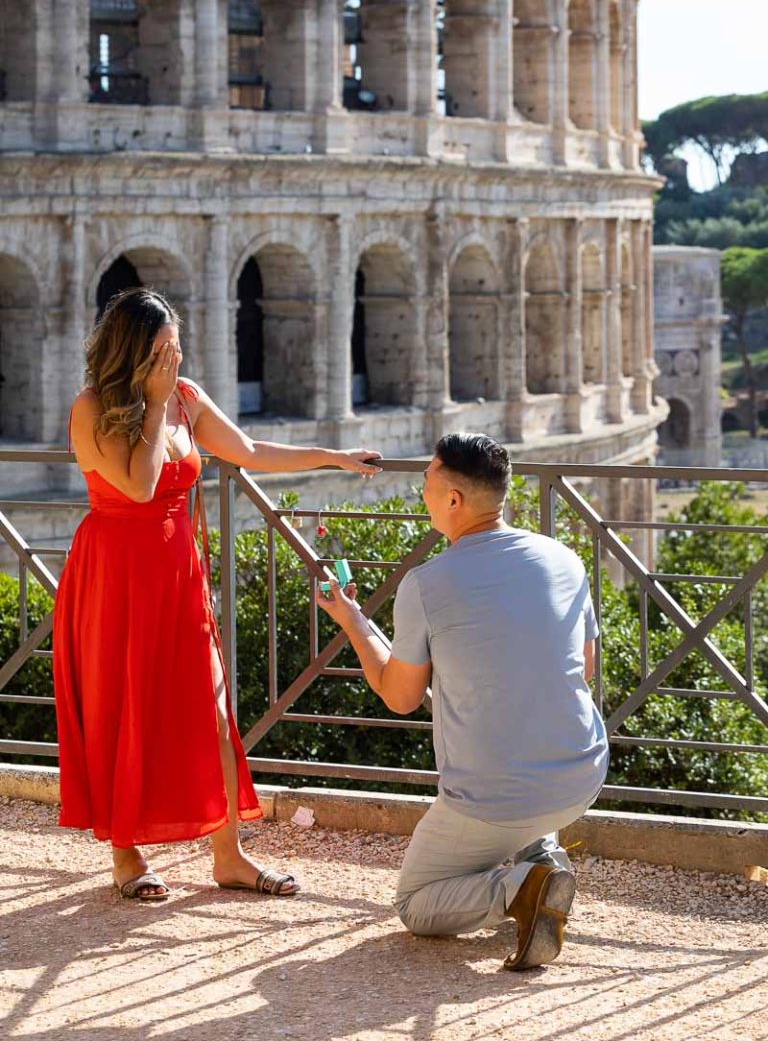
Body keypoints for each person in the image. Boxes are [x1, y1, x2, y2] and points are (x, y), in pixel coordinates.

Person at [54, 287, 381, 901]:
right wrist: (153, 408)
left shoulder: (185, 397)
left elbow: (251, 451)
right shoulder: (91, 408)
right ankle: (127, 855)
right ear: (132, 353)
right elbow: (141, 485)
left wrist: (333, 457)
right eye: (161, 351)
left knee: (213, 710)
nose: (174, 361)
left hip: (177, 575)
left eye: (176, 348)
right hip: (114, 577)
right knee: (124, 707)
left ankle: (228, 855)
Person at [317, 432, 608, 969]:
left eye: (426, 481)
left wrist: (351, 621)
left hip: (494, 798)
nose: (420, 493)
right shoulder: (563, 558)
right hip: (581, 775)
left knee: (416, 905)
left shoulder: (427, 584)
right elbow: (584, 669)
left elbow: (401, 696)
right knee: (525, 723)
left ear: (454, 499)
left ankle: (522, 885)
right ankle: (542, 853)